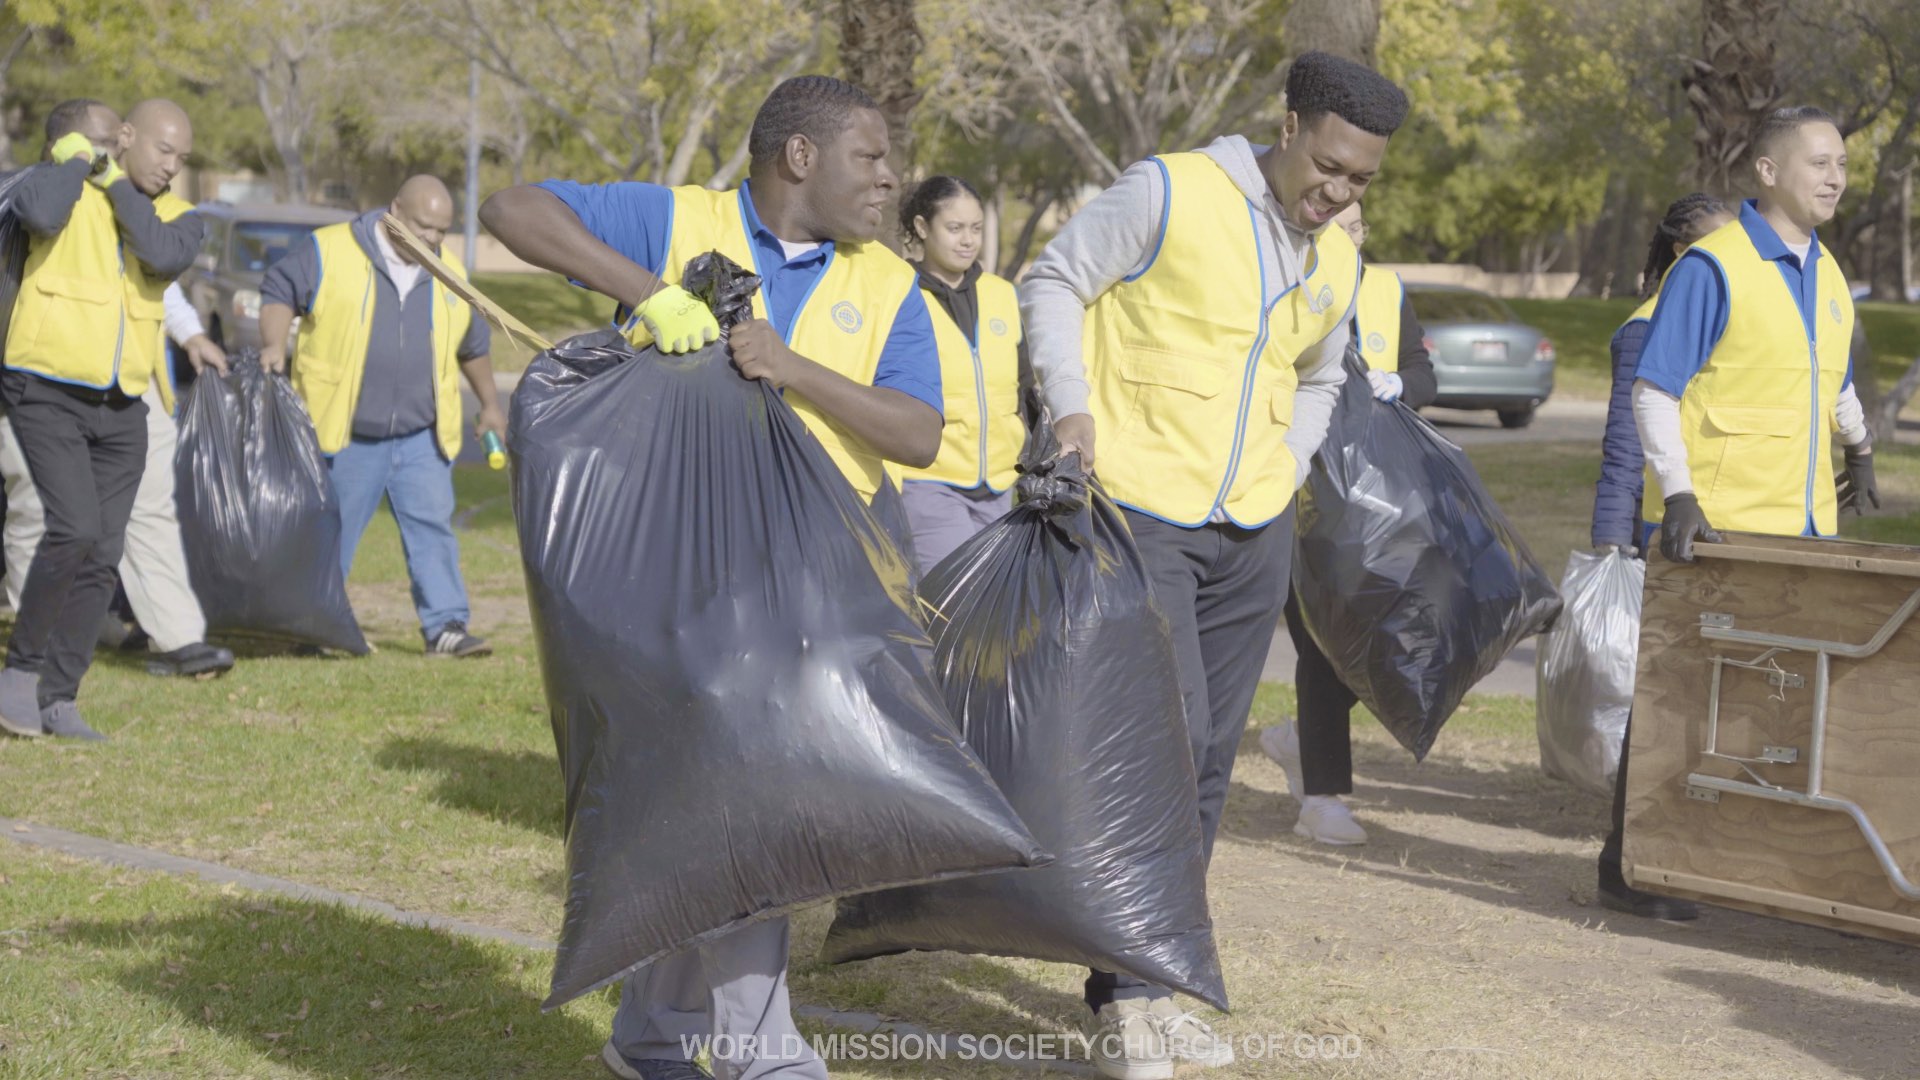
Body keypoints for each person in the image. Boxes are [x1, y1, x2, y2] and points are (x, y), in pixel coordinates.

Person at [481, 75, 942, 1080]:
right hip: (672, 571)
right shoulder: (676, 219)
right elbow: (511, 210)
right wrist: (652, 292)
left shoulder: (887, 283)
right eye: (870, 156)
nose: (890, 177)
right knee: (747, 794)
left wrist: (793, 366)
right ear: (800, 157)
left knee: (722, 798)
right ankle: (760, 1052)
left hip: (815, 584)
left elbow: (919, 433)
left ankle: (650, 1034)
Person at [1020, 51, 1408, 1078]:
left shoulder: (1338, 263)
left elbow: (1321, 373)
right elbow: (1053, 279)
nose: (1338, 192)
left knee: (1207, 763)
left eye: (1360, 180)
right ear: (1288, 128)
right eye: (1328, 166)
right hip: (1139, 509)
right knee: (1165, 744)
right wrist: (1070, 409)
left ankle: (1158, 977)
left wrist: (1289, 465)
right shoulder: (1169, 191)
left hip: (1253, 531)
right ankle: (1128, 997)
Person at [1614, 107, 1874, 918]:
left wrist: (1860, 448)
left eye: (1841, 164)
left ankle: (1730, 862)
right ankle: (1630, 867)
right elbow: (1654, 388)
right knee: (1680, 698)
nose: (1835, 177)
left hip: (1801, 533)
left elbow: (1830, 378)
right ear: (1767, 171)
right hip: (1717, 525)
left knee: (1770, 703)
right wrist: (1679, 493)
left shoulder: (1828, 273)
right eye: (1818, 162)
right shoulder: (1713, 266)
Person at [0, 98, 201, 741]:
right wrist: (74, 158)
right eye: (163, 150)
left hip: (123, 405)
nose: (172, 166)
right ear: (126, 136)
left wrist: (114, 182)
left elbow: (162, 257)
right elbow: (35, 213)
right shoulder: (58, 189)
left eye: (183, 157)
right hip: (44, 388)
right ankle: (20, 673)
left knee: (103, 552)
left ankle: (58, 696)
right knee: (74, 528)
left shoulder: (177, 217)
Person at [258, 175, 504, 659]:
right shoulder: (330, 250)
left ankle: (446, 627)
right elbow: (279, 289)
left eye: (442, 229)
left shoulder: (449, 271)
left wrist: (492, 404)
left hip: (421, 435)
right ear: (395, 211)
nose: (432, 238)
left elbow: (473, 344)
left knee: (433, 530)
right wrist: (273, 345)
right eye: (423, 226)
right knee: (332, 534)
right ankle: (314, 623)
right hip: (348, 432)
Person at [1260, 200, 1437, 846]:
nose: (1346, 235)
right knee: (1322, 641)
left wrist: (1400, 384)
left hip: (1379, 497)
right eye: (1333, 225)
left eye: (1355, 225)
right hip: (1300, 493)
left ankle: (1300, 741)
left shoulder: (1386, 290)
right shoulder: (1281, 287)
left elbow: (1424, 374)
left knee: (1381, 631)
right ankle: (1322, 798)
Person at [0, 279, 235, 679]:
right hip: (37, 365)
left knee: (148, 504)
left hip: (127, 369)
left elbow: (153, 268)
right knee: (39, 510)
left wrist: (188, 332)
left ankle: (179, 638)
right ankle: (41, 644)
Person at [894, 175, 1028, 573]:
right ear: (922, 227)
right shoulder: (898, 293)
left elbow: (1024, 388)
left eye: (976, 228)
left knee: (995, 601)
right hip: (928, 480)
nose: (968, 240)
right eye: (955, 228)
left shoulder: (1003, 294)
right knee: (954, 596)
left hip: (1000, 486)